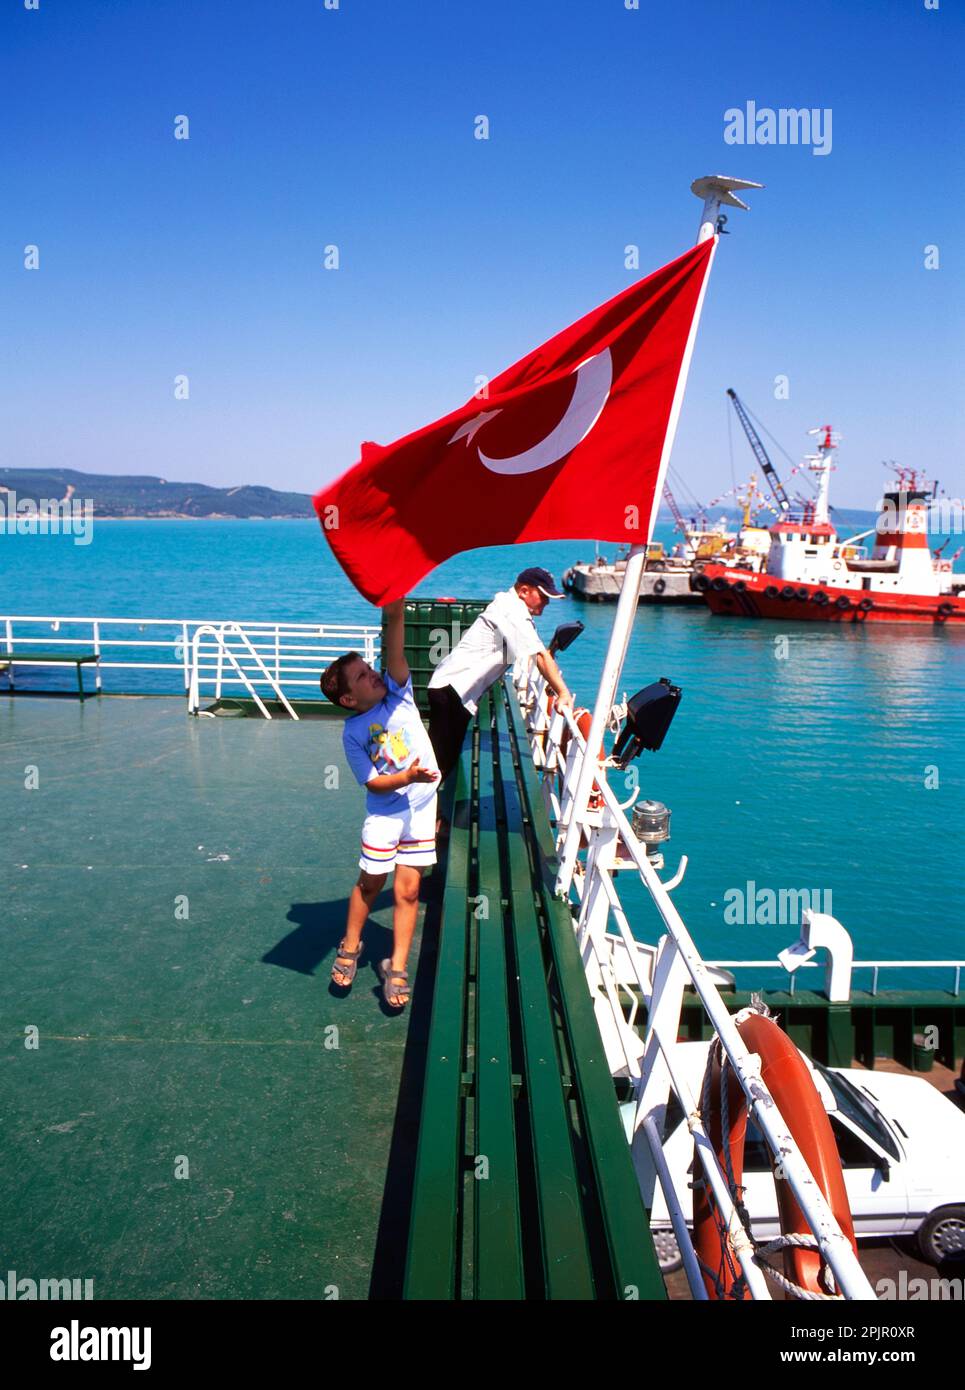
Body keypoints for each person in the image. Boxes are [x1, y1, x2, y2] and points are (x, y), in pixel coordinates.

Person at [319, 598, 439, 1010]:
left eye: (369, 669)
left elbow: (395, 649)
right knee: (371, 883)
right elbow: (373, 784)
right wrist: (406, 777)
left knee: (409, 891)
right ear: (350, 701)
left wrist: (396, 609)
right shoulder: (353, 734)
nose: (373, 675)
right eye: (363, 677)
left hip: (421, 809)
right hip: (386, 814)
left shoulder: (400, 696)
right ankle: (351, 944)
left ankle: (397, 964)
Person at [427, 567, 574, 803]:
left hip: (456, 693)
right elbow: (539, 657)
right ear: (524, 591)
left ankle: (426, 817)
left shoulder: (514, 611)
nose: (546, 603)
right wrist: (563, 692)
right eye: (544, 596)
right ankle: (410, 816)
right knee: (436, 766)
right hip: (451, 692)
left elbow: (540, 655)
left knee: (441, 763)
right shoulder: (511, 611)